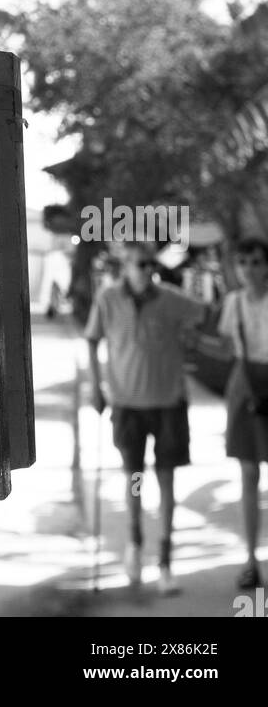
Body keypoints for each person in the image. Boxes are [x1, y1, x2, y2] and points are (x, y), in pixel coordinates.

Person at [86, 238, 207, 593]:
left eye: (152, 264)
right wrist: (96, 387)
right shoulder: (108, 299)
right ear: (125, 266)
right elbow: (92, 339)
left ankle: (166, 561)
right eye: (140, 264)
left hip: (169, 403)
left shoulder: (170, 299)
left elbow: (206, 315)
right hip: (127, 406)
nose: (147, 271)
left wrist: (194, 338)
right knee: (134, 479)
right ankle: (135, 544)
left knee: (167, 482)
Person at [217, 237, 268, 590]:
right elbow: (224, 348)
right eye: (243, 262)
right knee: (248, 473)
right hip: (244, 385)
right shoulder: (232, 303)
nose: (249, 269)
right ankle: (251, 560)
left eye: (255, 262)